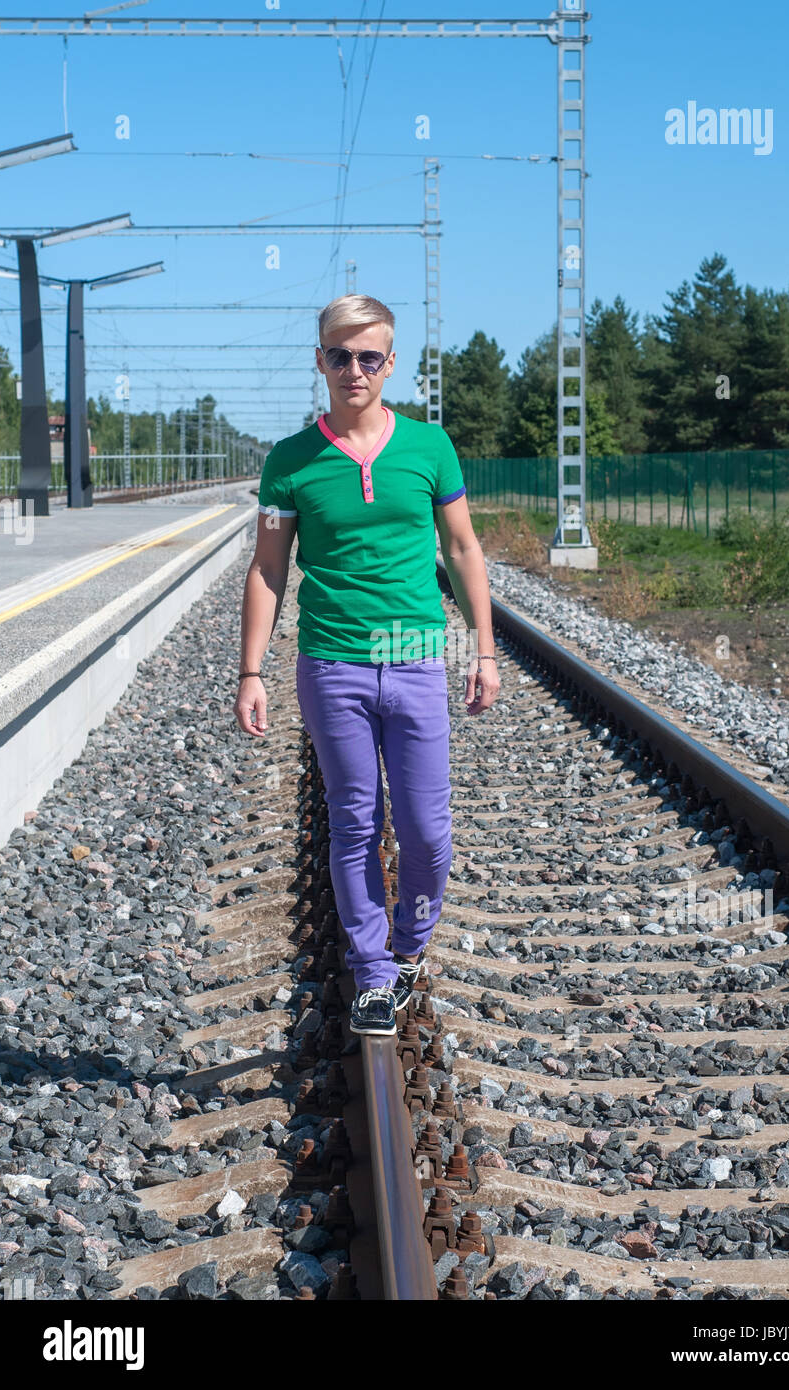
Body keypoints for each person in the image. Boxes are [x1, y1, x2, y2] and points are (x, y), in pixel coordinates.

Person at [234, 293, 499, 1036]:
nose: (354, 369)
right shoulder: (289, 462)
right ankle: (374, 973)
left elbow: (462, 549)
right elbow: (266, 570)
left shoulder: (428, 448)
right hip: (331, 665)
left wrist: (483, 647)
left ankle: (409, 949)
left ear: (389, 362)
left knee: (426, 832)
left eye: (369, 356)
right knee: (354, 822)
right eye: (340, 355)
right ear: (319, 360)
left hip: (415, 660)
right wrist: (250, 672)